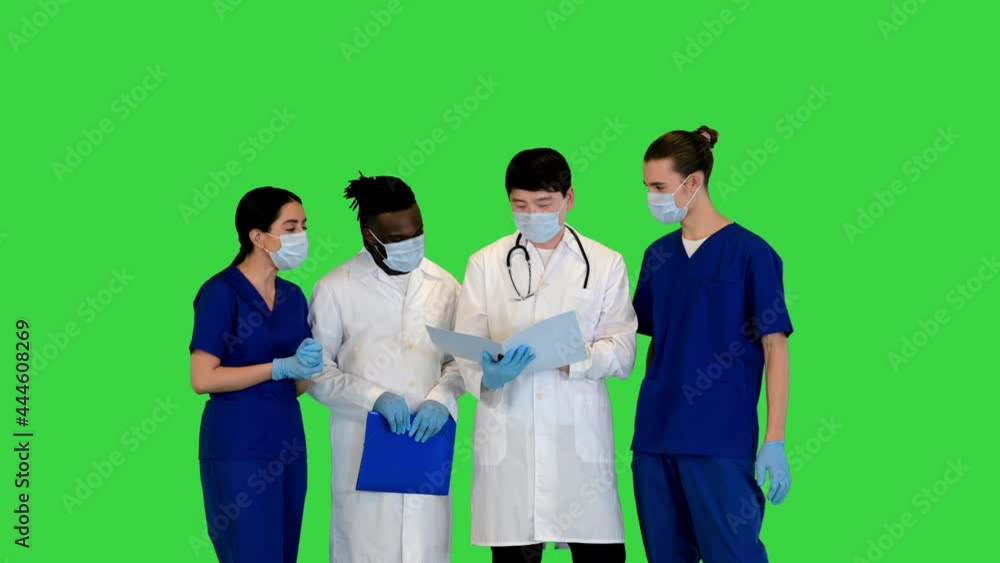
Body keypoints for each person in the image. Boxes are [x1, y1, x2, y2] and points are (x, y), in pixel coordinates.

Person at [454, 148, 637, 563]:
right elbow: (467, 345)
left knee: (600, 552)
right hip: (509, 434)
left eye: (543, 204)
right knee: (514, 551)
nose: (531, 214)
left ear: (569, 198)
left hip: (579, 442)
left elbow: (623, 352)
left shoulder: (605, 263)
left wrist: (572, 359)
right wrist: (487, 377)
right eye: (520, 205)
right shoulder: (485, 262)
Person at [631, 126, 794, 563]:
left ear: (694, 182)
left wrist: (775, 439)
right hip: (654, 441)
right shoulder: (657, 256)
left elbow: (775, 349)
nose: (652, 197)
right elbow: (656, 342)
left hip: (719, 440)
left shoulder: (752, 254)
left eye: (660, 187)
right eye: (647, 187)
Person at [307, 174, 465, 563]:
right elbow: (315, 373)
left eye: (418, 232)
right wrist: (374, 397)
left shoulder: (445, 284)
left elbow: (461, 360)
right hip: (363, 446)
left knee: (426, 548)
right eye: (396, 240)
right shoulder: (335, 288)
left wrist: (442, 398)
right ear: (369, 235)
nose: (411, 244)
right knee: (364, 547)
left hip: (428, 448)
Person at [189, 186, 321, 562]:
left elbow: (295, 386)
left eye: (304, 226)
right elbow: (202, 379)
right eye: (290, 227)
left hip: (288, 443)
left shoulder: (293, 296)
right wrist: (277, 367)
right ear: (258, 236)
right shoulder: (220, 293)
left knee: (283, 553)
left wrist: (308, 368)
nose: (301, 236)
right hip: (238, 448)